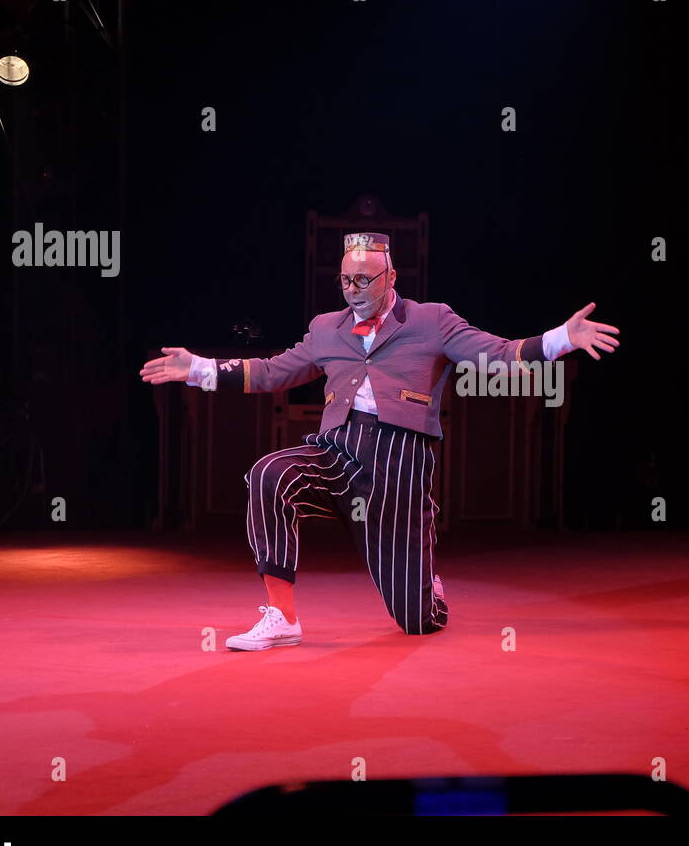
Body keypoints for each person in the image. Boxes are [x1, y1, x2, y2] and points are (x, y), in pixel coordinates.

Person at [139, 231, 619, 648]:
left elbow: (496, 353)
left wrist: (560, 339)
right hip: (338, 450)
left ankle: (426, 580)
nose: (354, 290)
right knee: (269, 474)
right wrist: (198, 369)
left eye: (364, 280)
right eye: (346, 280)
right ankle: (282, 617)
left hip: (399, 462)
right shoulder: (326, 328)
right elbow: (272, 371)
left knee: (417, 622)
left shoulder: (431, 320)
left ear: (392, 276)